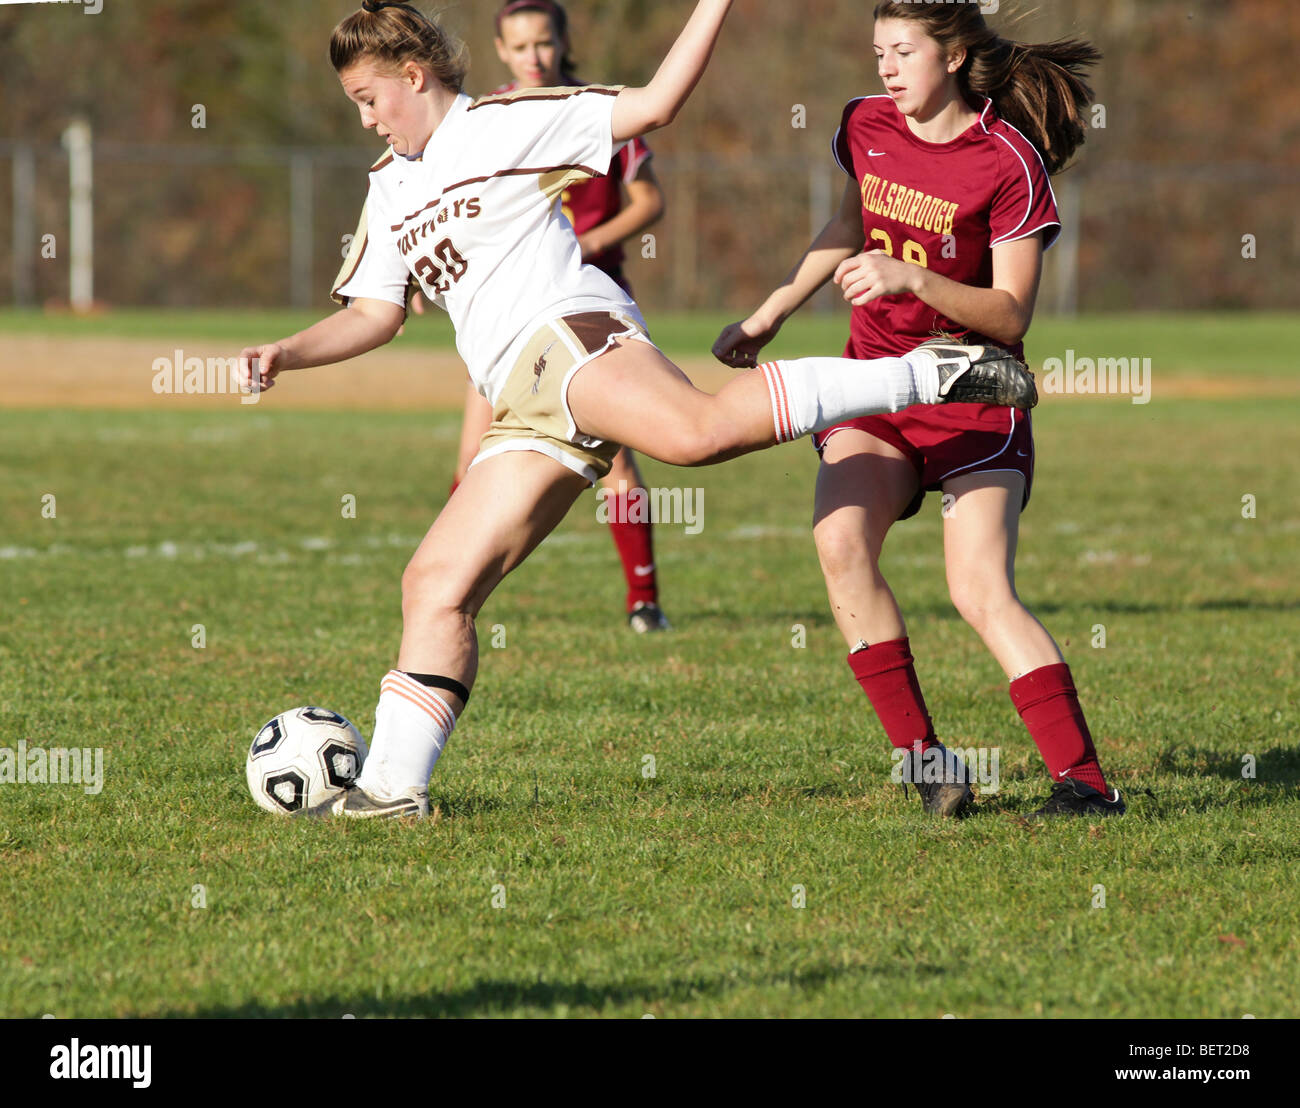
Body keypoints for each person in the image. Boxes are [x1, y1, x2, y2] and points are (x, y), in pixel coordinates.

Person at [239, 0, 1038, 820]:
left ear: (414, 76)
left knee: (694, 436)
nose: (367, 120)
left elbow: (655, 103)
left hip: (570, 336)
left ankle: (924, 374)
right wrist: (285, 352)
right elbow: (376, 313)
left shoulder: (505, 121)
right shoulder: (389, 187)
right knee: (435, 585)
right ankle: (391, 792)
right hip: (518, 397)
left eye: (370, 98)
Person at [715, 2, 1120, 820]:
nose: (887, 68)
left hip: (973, 389)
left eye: (903, 51)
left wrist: (914, 282)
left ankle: (1085, 785)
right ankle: (929, 765)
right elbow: (846, 219)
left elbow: (1011, 314)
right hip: (877, 387)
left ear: (954, 54)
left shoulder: (1007, 161)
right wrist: (770, 313)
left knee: (977, 589)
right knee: (839, 543)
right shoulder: (865, 123)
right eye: (878, 52)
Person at [458, 0, 672, 633]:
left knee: (620, 460)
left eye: (544, 43)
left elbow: (649, 201)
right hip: (509, 311)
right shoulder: (485, 120)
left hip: (588, 302)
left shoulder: (600, 111)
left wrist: (587, 240)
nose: (534, 56)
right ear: (500, 50)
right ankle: (459, 593)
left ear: (562, 42)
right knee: (473, 452)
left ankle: (644, 603)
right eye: (520, 46)